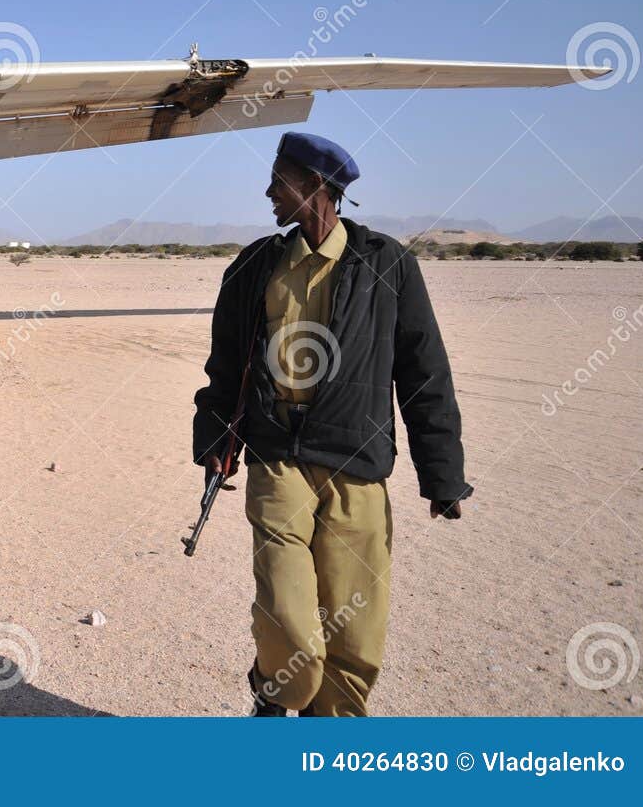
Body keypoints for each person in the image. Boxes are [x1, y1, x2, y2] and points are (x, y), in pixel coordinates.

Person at [192, 132, 471, 716]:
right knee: (289, 621)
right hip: (278, 461)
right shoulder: (254, 266)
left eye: (279, 179)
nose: (268, 191)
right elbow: (226, 366)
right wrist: (217, 437)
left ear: (316, 187)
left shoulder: (389, 264)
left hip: (357, 463)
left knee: (354, 636)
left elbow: (425, 375)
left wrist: (442, 476)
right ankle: (274, 697)